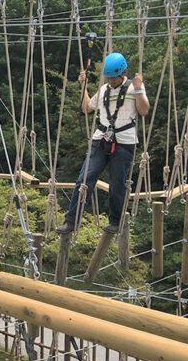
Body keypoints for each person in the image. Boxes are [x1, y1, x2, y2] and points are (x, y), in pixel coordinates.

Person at [57, 52, 150, 234]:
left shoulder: (134, 88)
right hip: (101, 139)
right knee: (85, 178)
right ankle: (72, 220)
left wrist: (139, 89)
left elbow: (144, 110)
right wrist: (83, 86)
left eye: (113, 77)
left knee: (117, 183)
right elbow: (86, 108)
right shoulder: (103, 90)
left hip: (124, 142)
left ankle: (115, 221)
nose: (111, 81)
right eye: (108, 77)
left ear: (124, 73)